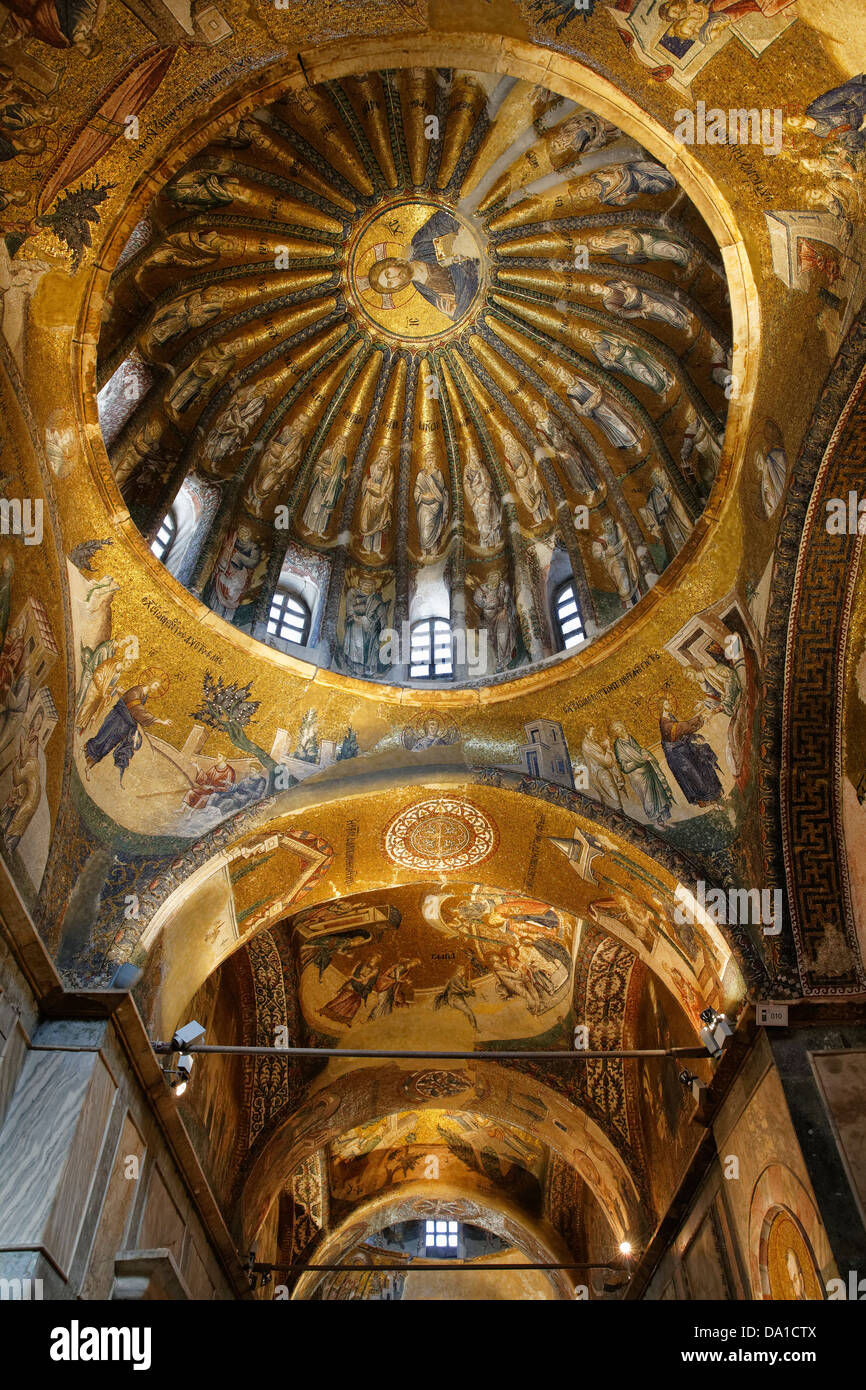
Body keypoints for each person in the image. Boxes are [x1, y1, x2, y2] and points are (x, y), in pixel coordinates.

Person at [365, 209, 480, 321]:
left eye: (388, 273)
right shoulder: (425, 290)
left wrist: (460, 228)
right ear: (396, 287)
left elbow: (443, 217)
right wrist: (455, 314)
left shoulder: (420, 244)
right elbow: (464, 300)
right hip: (482, 273)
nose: (394, 278)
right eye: (390, 283)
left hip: (477, 236)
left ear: (392, 263)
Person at [83, 671, 171, 785]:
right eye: (155, 685)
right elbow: (138, 710)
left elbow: (136, 713)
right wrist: (160, 721)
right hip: (117, 719)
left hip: (124, 726)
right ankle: (85, 756)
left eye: (157, 687)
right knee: (102, 739)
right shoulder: (136, 690)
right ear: (150, 682)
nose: (155, 688)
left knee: (108, 746)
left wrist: (134, 728)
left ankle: (89, 766)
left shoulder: (145, 696)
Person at [659, 698, 723, 805]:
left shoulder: (670, 717)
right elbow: (683, 727)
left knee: (703, 759)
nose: (669, 704)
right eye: (666, 703)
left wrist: (694, 737)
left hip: (684, 749)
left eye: (669, 702)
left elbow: (683, 733)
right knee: (694, 776)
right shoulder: (665, 723)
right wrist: (701, 718)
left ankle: (715, 793)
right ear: (661, 707)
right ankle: (705, 800)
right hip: (677, 755)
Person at [611, 720, 674, 826]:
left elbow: (639, 750)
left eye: (618, 728)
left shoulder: (630, 738)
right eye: (616, 730)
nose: (618, 731)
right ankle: (656, 822)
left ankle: (665, 819)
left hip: (648, 770)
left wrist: (644, 753)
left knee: (659, 793)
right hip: (637, 775)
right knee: (648, 797)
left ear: (623, 727)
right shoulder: (618, 745)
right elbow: (624, 765)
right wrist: (641, 759)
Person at [0, 707, 43, 852]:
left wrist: (14, 766)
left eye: (40, 721)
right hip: (30, 794)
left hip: (31, 798)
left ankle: (8, 845)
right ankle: (6, 834)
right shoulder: (32, 764)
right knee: (16, 811)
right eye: (36, 719)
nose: (37, 723)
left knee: (19, 818)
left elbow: (17, 779)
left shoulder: (31, 764)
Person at [208, 526, 261, 622]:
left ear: (249, 535)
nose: (243, 534)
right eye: (241, 532)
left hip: (241, 570)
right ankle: (214, 607)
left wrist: (239, 557)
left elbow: (253, 562)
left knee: (235, 587)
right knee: (221, 578)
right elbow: (225, 549)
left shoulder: (253, 547)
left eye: (246, 532)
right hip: (227, 566)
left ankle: (227, 616)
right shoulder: (232, 538)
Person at [342, 573, 388, 677]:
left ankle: (370, 669)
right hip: (355, 622)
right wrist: (355, 617)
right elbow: (350, 608)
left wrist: (382, 625)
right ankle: (355, 668)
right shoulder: (353, 593)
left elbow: (381, 613)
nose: (368, 588)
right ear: (360, 585)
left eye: (370, 586)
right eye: (365, 585)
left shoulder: (376, 598)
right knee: (358, 628)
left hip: (371, 625)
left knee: (372, 641)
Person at [302, 445, 347, 537]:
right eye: (339, 443)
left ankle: (320, 531)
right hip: (321, 482)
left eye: (343, 445)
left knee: (324, 510)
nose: (340, 447)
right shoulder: (328, 452)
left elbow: (342, 474)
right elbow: (318, 463)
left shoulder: (343, 458)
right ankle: (310, 528)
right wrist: (325, 468)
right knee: (315, 504)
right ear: (336, 443)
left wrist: (343, 478)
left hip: (331, 488)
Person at [320, 958, 380, 1026]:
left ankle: (346, 1019)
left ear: (377, 961)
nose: (372, 959)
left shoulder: (375, 970)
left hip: (361, 988)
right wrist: (356, 966)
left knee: (354, 1004)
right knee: (342, 998)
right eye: (372, 957)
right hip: (354, 984)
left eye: (375, 958)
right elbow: (354, 973)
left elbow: (364, 980)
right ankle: (325, 1010)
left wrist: (353, 978)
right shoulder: (363, 964)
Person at [581, 726, 625, 810]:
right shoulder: (588, 745)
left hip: (602, 771)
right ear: (587, 732)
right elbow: (605, 761)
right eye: (592, 731)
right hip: (600, 773)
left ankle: (617, 814)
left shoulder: (592, 742)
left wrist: (606, 747)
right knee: (613, 795)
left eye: (594, 730)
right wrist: (608, 749)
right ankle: (619, 813)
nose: (594, 733)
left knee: (612, 794)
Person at [359, 449, 394, 555]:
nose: (383, 456)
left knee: (379, 525)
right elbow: (367, 478)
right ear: (379, 454)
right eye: (382, 454)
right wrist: (367, 484)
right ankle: (367, 547)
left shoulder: (389, 468)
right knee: (367, 521)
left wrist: (386, 496)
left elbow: (391, 484)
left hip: (382, 500)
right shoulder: (373, 466)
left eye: (385, 454)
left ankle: (377, 548)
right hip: (370, 497)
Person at [414, 451, 449, 553]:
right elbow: (417, 490)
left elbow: (442, 489)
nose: (430, 462)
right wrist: (422, 496)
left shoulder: (438, 473)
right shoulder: (421, 475)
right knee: (424, 530)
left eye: (432, 460)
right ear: (425, 462)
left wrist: (436, 495)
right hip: (424, 505)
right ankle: (424, 551)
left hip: (435, 504)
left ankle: (433, 549)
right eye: (428, 460)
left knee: (433, 528)